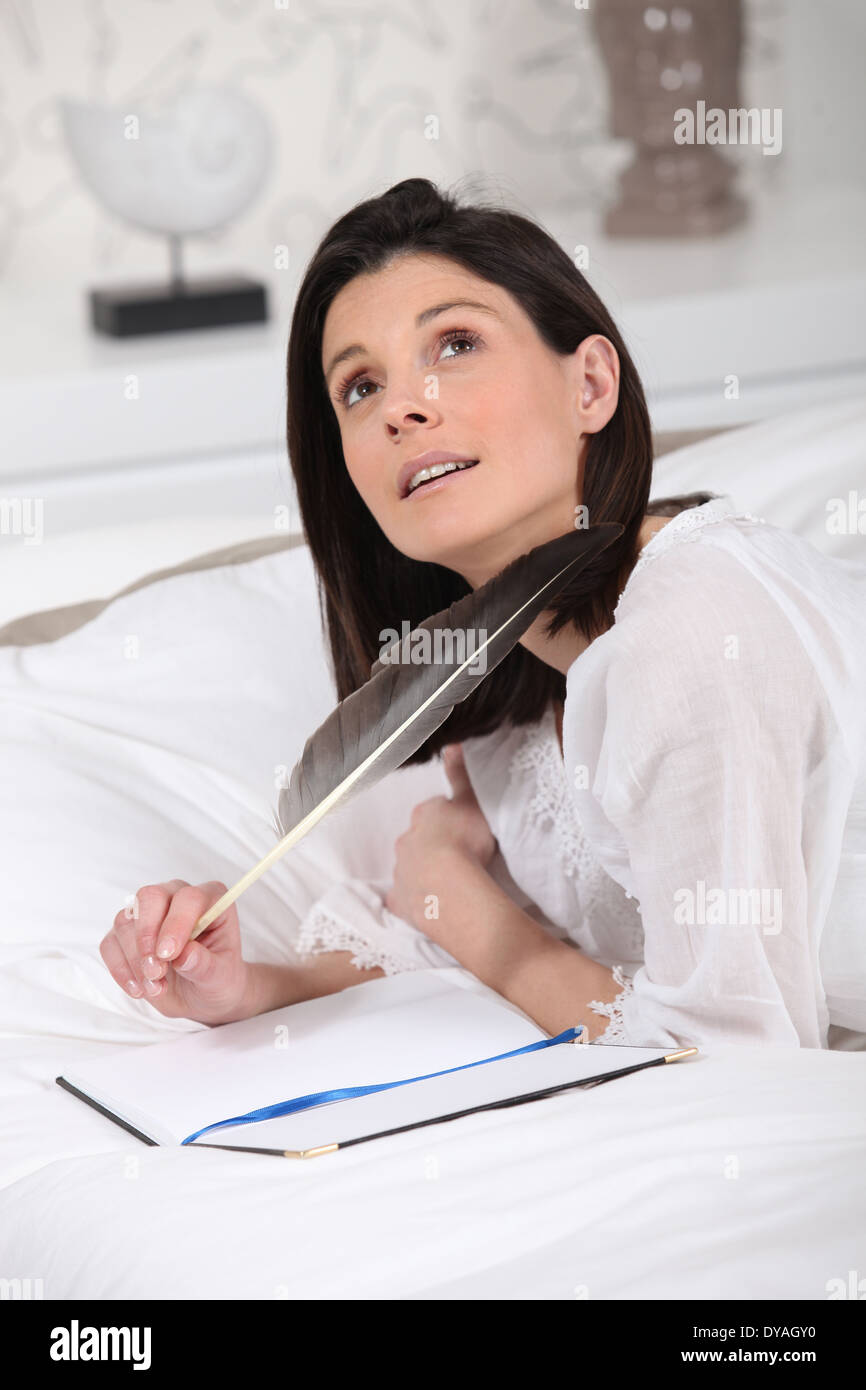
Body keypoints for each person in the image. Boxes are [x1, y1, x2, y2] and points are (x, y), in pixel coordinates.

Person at [99, 177, 866, 1050]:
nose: (402, 406)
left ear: (591, 385)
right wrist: (237, 988)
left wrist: (481, 924)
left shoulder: (693, 626)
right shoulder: (512, 679)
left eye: (455, 342)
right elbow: (445, 929)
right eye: (358, 388)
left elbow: (735, 1057)